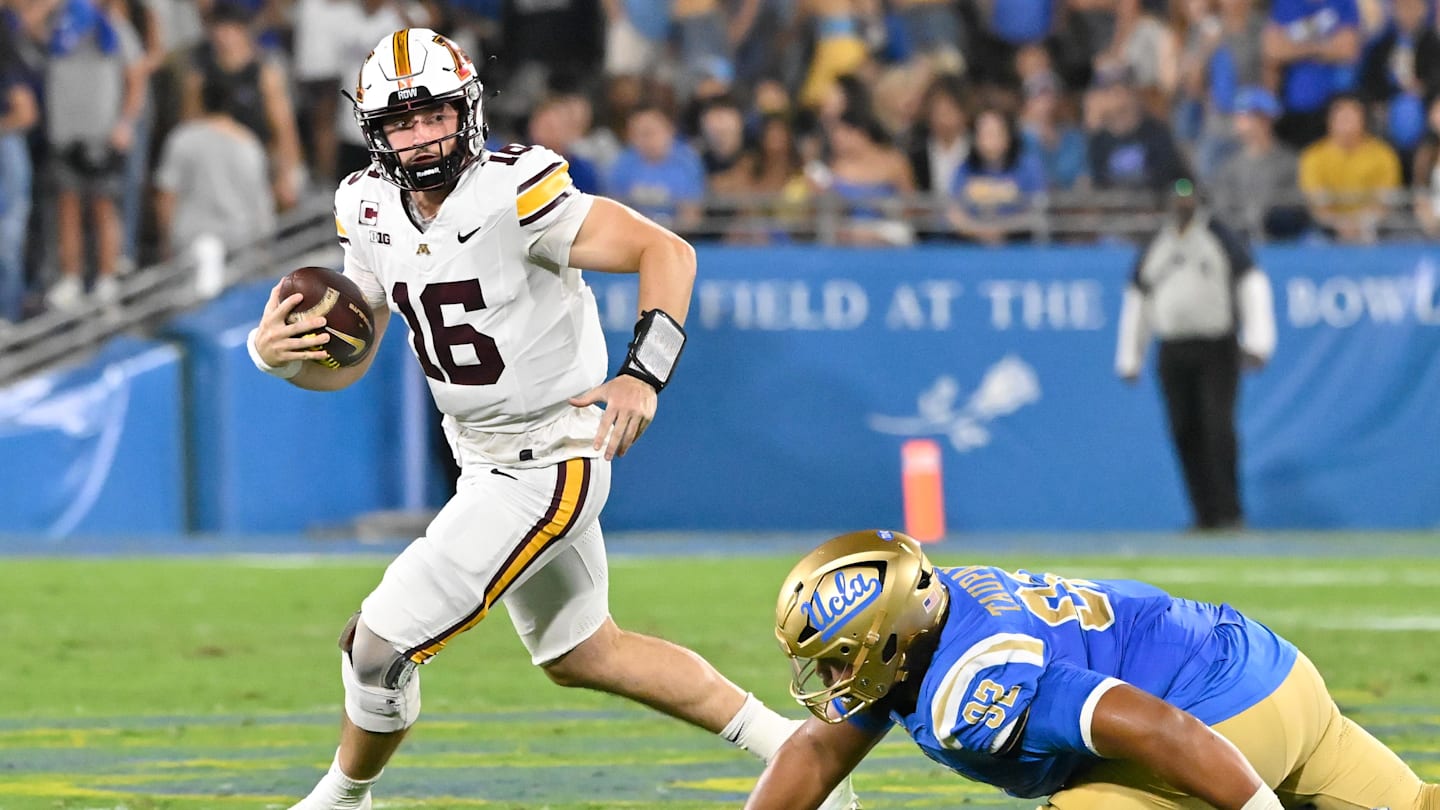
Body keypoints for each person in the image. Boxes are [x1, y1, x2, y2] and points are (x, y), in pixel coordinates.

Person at [246, 28, 858, 810]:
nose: (422, 136)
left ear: (465, 110)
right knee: (585, 653)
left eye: (434, 115)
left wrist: (643, 375)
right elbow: (354, 356)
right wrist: (279, 355)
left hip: (548, 458)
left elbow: (667, 252)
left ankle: (341, 798)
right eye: (402, 122)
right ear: (373, 132)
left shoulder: (516, 191)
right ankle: (799, 754)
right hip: (481, 457)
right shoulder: (364, 207)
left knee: (376, 646)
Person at [746, 529, 1440, 810]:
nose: (831, 682)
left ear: (885, 641)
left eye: (837, 662)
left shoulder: (971, 687)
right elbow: (815, 753)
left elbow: (1158, 730)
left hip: (1211, 719)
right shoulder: (925, 613)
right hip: (1275, 671)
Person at [1115, 176, 1275, 532]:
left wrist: (1259, 340)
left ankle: (1230, 511)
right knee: (1183, 430)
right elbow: (1138, 297)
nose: (1182, 204)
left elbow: (1251, 284)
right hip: (1172, 347)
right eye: (1176, 197)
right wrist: (1130, 356)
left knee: (1218, 427)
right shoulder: (1158, 243)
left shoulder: (1219, 237)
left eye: (1188, 197)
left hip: (1216, 345)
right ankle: (1203, 513)